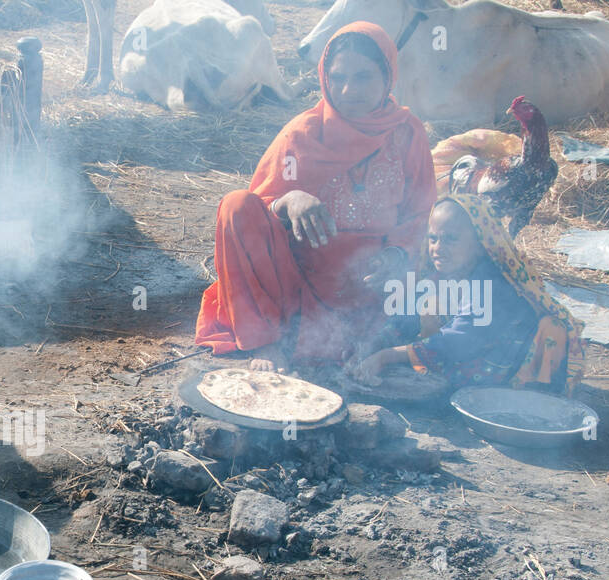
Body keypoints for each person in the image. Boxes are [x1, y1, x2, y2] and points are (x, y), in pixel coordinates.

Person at [194, 21, 437, 372]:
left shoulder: (406, 132)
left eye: (363, 77)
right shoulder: (303, 134)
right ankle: (266, 340)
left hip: (372, 287)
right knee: (235, 205)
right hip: (297, 283)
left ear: (388, 76)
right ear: (324, 77)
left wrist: (397, 255)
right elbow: (255, 214)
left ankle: (368, 342)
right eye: (337, 77)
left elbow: (421, 212)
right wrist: (288, 200)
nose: (348, 89)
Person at [348, 195, 585, 391]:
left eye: (450, 239)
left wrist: (387, 356)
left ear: (481, 245)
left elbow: (461, 339)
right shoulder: (443, 275)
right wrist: (375, 343)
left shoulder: (491, 279)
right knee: (429, 305)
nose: (437, 249)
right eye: (433, 238)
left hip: (511, 357)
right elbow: (406, 316)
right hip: (472, 345)